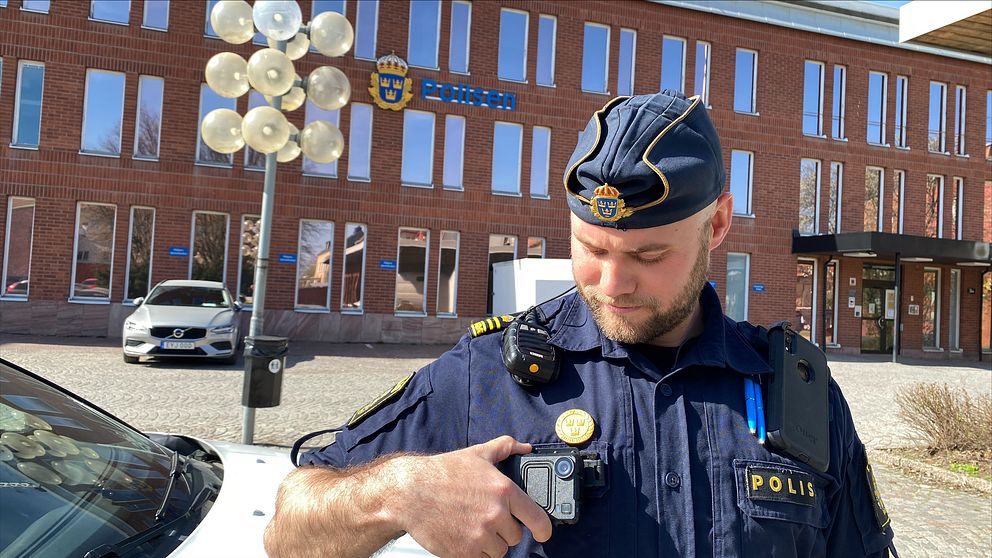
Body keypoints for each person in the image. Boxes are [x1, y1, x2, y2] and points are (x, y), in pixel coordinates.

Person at [263, 90, 898, 558]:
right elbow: (288, 529)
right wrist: (400, 490)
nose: (612, 283)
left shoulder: (796, 393)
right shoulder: (489, 374)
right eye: (590, 250)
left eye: (649, 257)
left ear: (720, 224)